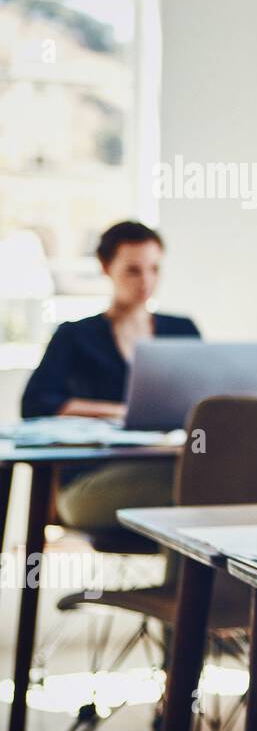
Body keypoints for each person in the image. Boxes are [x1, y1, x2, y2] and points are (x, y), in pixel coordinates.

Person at [22, 221, 200, 530]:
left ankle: (187, 580)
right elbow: (36, 404)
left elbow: (205, 403)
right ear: (106, 267)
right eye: (133, 270)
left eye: (154, 269)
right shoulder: (75, 336)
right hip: (91, 481)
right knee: (197, 483)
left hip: (171, 462)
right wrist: (122, 413)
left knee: (219, 475)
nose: (146, 281)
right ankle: (184, 581)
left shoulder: (181, 331)